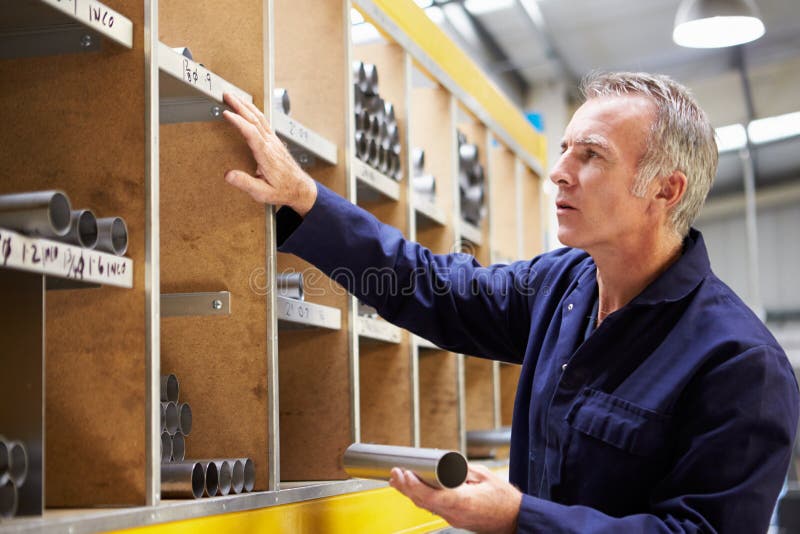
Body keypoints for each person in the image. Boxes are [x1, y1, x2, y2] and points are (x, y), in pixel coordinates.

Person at [220, 72, 799, 533]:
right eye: (565, 148)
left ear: (666, 189)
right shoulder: (563, 287)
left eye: (591, 156)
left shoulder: (741, 365)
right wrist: (307, 201)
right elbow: (434, 288)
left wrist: (519, 518)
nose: (558, 172)